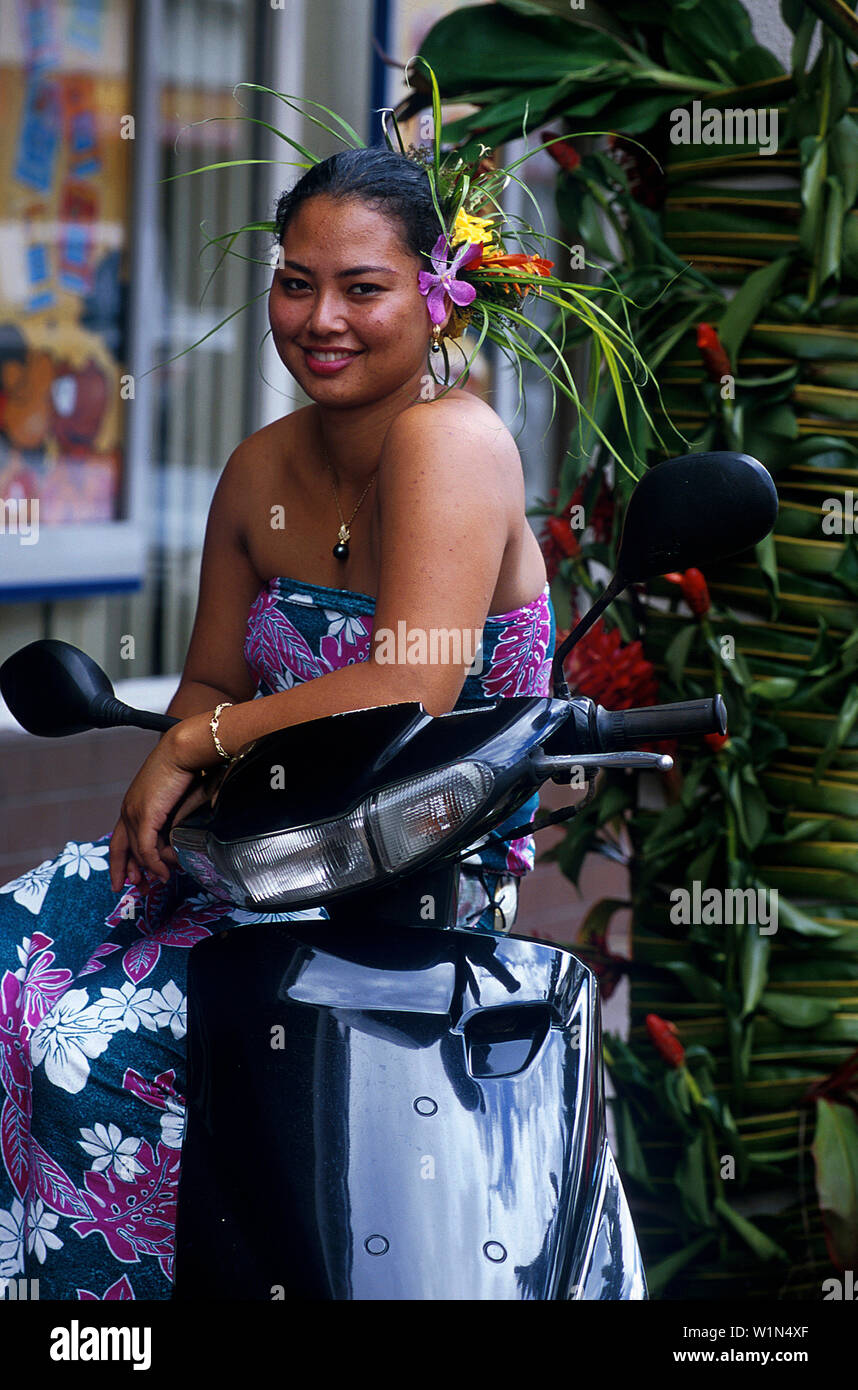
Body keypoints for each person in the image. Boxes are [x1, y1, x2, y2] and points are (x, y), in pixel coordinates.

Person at [0, 145, 559, 1300]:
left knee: (90, 1048)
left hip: (406, 896)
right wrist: (175, 749)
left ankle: (117, 1313)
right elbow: (206, 678)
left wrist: (196, 745)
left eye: (363, 287)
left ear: (434, 294)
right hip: (244, 862)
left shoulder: (451, 440)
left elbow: (408, 682)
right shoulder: (259, 467)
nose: (321, 317)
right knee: (8, 958)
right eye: (295, 281)